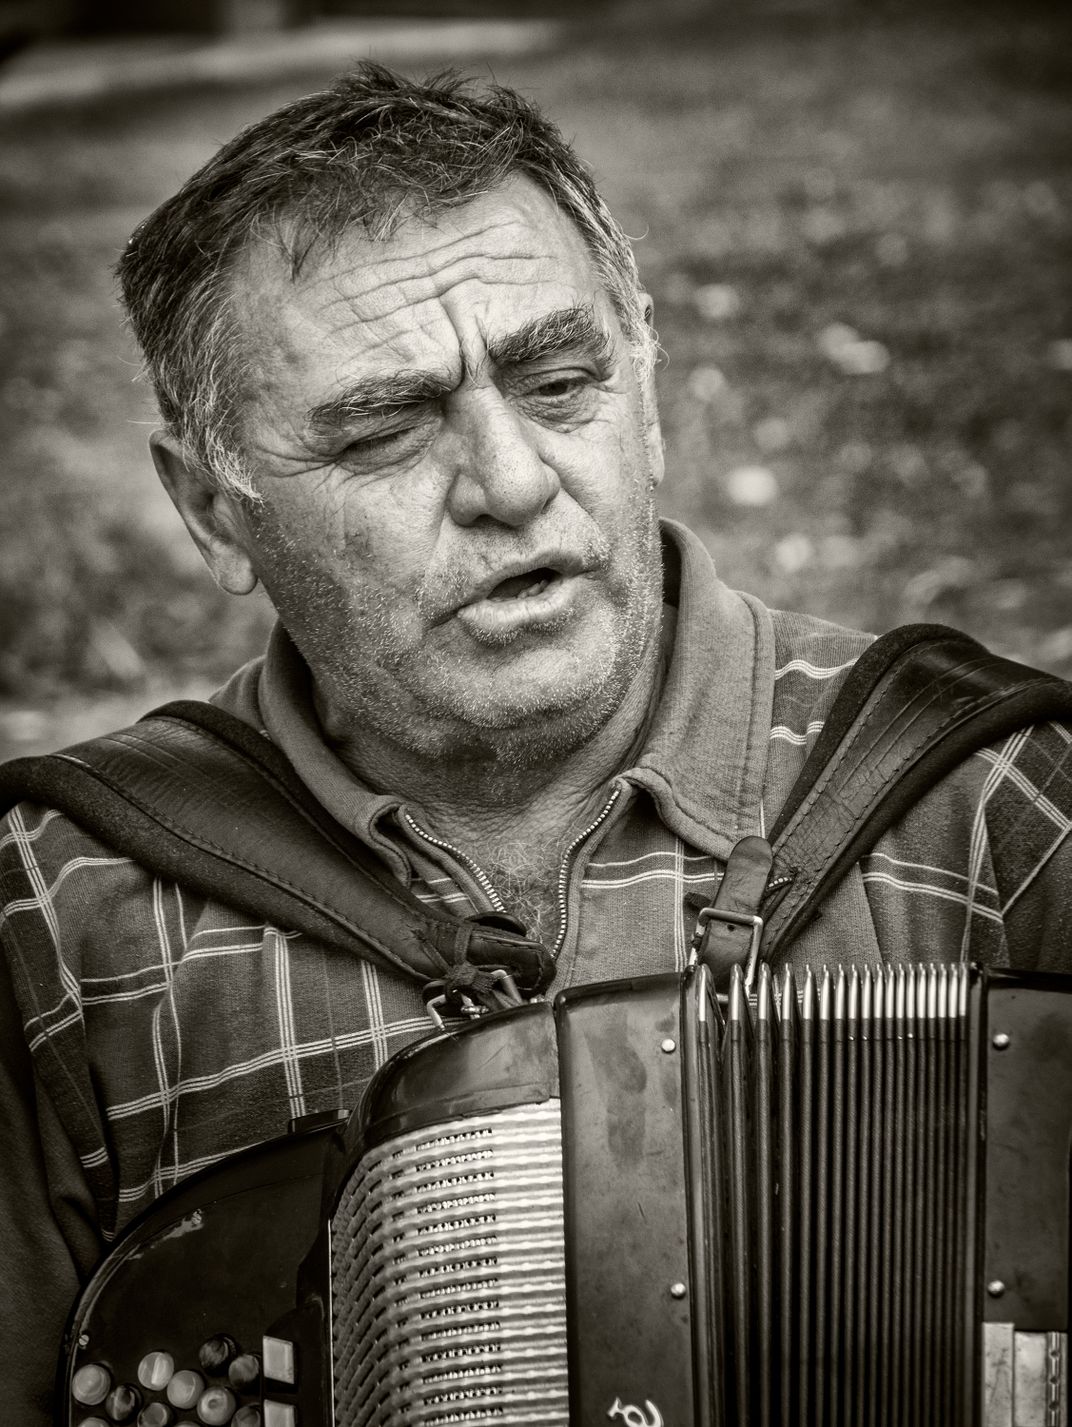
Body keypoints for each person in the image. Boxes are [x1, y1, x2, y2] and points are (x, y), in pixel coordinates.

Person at [1, 63, 1070, 1423]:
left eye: (561, 381)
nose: (511, 484)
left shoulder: (997, 813)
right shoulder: (58, 920)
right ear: (215, 513)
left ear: (651, 391)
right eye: (385, 432)